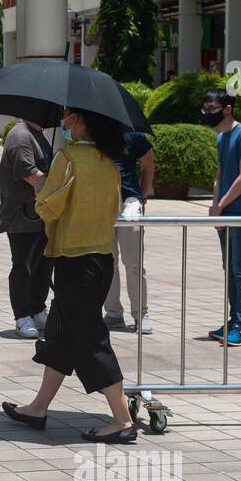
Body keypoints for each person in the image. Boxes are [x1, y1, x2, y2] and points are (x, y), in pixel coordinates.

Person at [1, 106, 136, 442]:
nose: (63, 119)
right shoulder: (109, 161)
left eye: (69, 115)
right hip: (101, 257)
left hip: (75, 261)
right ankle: (37, 409)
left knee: (91, 337)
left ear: (79, 120)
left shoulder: (69, 158)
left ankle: (122, 420)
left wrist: (41, 192)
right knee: (61, 336)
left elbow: (49, 205)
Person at [203, 89, 241, 347]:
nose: (208, 112)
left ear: (227, 108)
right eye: (206, 107)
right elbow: (219, 174)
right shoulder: (221, 137)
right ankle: (232, 320)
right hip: (226, 212)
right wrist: (215, 207)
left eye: (212, 107)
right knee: (230, 269)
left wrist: (222, 205)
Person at [0, 119, 54, 338]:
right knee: (24, 265)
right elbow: (30, 173)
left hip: (41, 214)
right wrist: (58, 185)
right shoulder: (20, 136)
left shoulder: (39, 133)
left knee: (43, 264)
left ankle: (37, 308)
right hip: (22, 215)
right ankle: (22, 315)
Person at [104, 130, 155, 334]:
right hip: (103, 203)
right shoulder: (94, 134)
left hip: (129, 203)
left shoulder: (134, 137)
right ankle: (113, 312)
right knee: (108, 261)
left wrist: (142, 196)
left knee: (133, 262)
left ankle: (141, 313)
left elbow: (149, 167)